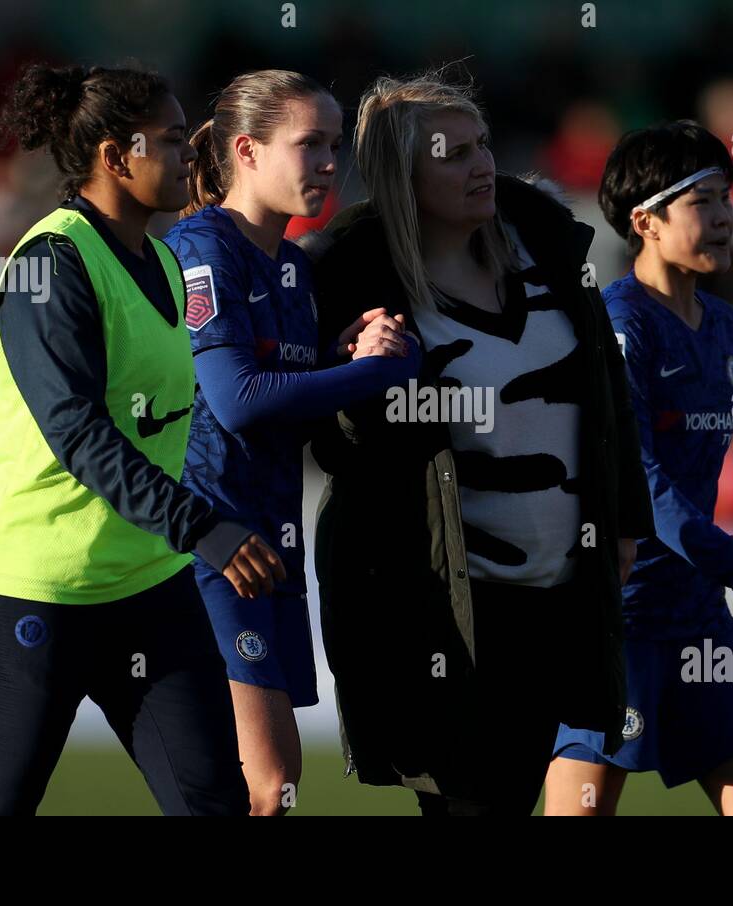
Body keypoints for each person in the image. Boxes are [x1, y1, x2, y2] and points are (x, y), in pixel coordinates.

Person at [303, 69, 653, 815]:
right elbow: (333, 444)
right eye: (453, 153)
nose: (482, 164)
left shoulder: (548, 243)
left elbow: (607, 393)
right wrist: (352, 373)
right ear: (403, 175)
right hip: (444, 601)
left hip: (556, 595)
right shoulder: (352, 274)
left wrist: (627, 518)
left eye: (483, 145)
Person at [0, 63, 283, 816]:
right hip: (29, 589)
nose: (191, 155)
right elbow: (77, 433)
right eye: (169, 140)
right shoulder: (50, 263)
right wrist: (204, 527)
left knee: (216, 804)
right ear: (114, 156)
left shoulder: (164, 261)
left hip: (146, 585)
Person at [164, 70, 420, 815]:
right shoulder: (202, 247)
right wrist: (367, 374)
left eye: (337, 146)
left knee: (262, 789)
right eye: (310, 145)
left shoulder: (292, 267)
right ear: (246, 149)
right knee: (270, 787)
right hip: (213, 544)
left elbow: (292, 413)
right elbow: (238, 403)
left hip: (273, 545)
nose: (331, 163)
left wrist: (345, 358)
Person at [546, 121, 733, 816]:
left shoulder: (724, 325)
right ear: (646, 222)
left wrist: (718, 576)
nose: (725, 216)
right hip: (620, 618)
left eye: (726, 197)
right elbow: (636, 478)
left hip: (699, 618)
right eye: (702, 201)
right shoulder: (618, 326)